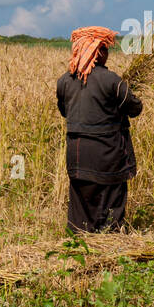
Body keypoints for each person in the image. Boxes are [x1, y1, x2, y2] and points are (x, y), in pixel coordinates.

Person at [56, 26, 142, 232]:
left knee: (81, 206)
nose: (107, 55)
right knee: (112, 203)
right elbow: (135, 108)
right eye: (106, 50)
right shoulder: (112, 80)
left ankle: (78, 245)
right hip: (108, 154)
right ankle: (109, 246)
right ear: (99, 52)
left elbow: (65, 111)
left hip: (77, 154)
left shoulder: (64, 81)